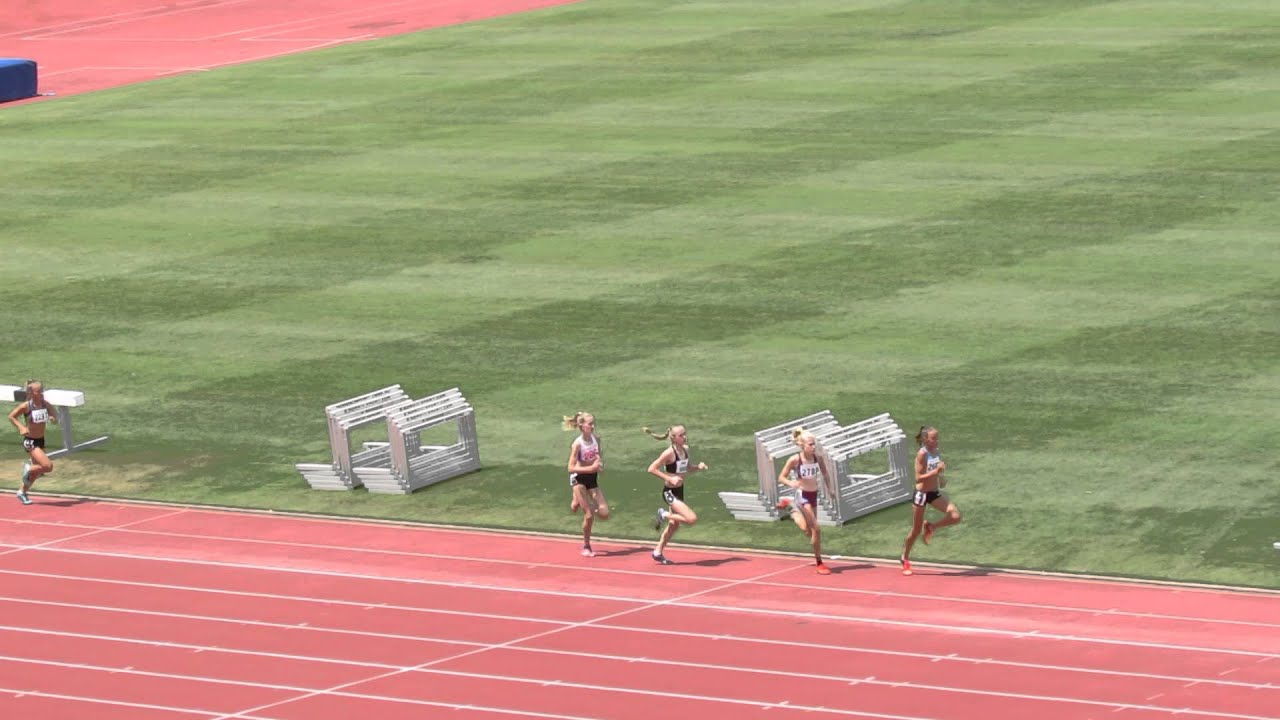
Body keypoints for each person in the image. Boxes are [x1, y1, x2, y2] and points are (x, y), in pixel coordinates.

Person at [900, 425, 962, 576]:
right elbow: (918, 478)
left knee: (955, 516)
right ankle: (905, 558)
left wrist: (941, 478)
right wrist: (936, 472)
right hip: (921, 494)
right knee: (916, 531)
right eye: (934, 439)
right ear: (925, 439)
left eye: (937, 438)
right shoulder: (922, 454)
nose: (937, 441)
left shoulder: (936, 451)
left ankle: (931, 527)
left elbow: (937, 469)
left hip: (933, 492)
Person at [644, 425, 706, 565]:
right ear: (673, 437)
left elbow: (687, 468)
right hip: (669, 492)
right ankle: (663, 514)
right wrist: (669, 478)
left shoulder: (686, 449)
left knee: (674, 525)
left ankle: (657, 552)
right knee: (691, 519)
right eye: (681, 435)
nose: (685, 437)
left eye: (685, 434)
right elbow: (651, 468)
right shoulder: (669, 453)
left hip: (679, 490)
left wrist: (698, 467)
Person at [774, 428, 833, 575]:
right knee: (816, 529)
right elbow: (781, 477)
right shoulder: (795, 460)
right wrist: (791, 483)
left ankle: (791, 509)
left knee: (808, 530)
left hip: (813, 495)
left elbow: (825, 473)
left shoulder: (818, 458)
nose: (814, 447)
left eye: (814, 444)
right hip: (802, 496)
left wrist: (830, 489)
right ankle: (819, 563)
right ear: (802, 445)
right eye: (811, 444)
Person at [564, 411, 609, 557]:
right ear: (582, 426)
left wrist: (599, 465)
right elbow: (570, 468)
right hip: (579, 478)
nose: (593, 426)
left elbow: (598, 456)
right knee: (589, 515)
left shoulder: (597, 439)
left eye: (593, 423)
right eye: (590, 424)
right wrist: (590, 468)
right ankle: (586, 546)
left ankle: (577, 499)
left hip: (592, 479)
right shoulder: (577, 445)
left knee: (604, 514)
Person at [8, 379, 56, 506]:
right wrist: (21, 427)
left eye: (42, 390)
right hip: (30, 441)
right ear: (31, 393)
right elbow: (11, 416)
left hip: (41, 440)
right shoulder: (26, 406)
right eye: (38, 391)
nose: (41, 393)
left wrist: (53, 418)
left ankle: (22, 492)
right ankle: (28, 468)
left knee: (37, 472)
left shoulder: (45, 404)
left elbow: (54, 416)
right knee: (48, 466)